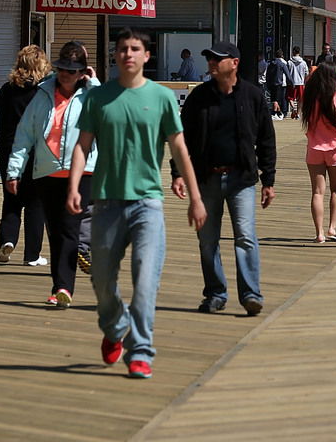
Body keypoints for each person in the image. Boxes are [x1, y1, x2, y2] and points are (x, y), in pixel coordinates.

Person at [68, 29, 206, 379]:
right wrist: (73, 186)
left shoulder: (161, 97)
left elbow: (179, 148)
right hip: (106, 202)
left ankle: (141, 351)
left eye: (135, 49)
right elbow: (82, 145)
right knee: (101, 279)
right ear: (115, 56)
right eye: (122, 49)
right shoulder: (98, 97)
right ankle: (115, 325)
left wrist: (196, 198)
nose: (128, 54)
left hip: (148, 204)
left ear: (146, 55)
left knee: (145, 281)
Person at [177, 40, 276, 316]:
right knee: (207, 240)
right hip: (206, 177)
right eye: (209, 58)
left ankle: (251, 295)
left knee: (245, 237)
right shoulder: (199, 97)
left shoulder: (252, 96)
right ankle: (216, 293)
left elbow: (266, 139)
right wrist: (177, 173)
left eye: (217, 59)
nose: (211, 63)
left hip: (241, 179)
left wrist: (268, 180)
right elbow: (182, 138)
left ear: (234, 63)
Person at [7, 43, 100, 307]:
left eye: (72, 71)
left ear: (82, 73)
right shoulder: (43, 95)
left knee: (69, 230)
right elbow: (24, 135)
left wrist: (94, 84)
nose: (65, 74)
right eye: (62, 69)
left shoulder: (92, 96)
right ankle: (60, 285)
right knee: (57, 232)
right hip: (47, 173)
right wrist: (14, 171)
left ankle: (63, 288)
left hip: (83, 173)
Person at [0, 45, 50, 268]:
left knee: (11, 200)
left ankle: (7, 240)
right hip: (38, 154)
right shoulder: (44, 92)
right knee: (36, 204)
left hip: (10, 151)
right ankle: (32, 255)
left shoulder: (7, 90)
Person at [302, 61, 336, 242]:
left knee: (317, 192)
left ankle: (319, 233)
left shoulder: (310, 94)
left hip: (314, 148)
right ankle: (332, 228)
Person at [265, 50, 292, 120]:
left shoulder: (270, 64)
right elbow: (288, 75)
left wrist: (268, 83)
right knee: (276, 100)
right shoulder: (282, 64)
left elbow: (267, 74)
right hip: (279, 83)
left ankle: (279, 113)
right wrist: (291, 83)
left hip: (271, 83)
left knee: (274, 99)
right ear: (282, 56)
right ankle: (274, 113)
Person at [288, 46, 309, 119]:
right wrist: (304, 80)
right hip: (300, 83)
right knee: (300, 99)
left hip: (292, 83)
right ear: (299, 52)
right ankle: (298, 113)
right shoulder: (303, 63)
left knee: (290, 97)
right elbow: (307, 73)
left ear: (293, 52)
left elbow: (287, 72)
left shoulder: (289, 62)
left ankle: (293, 108)